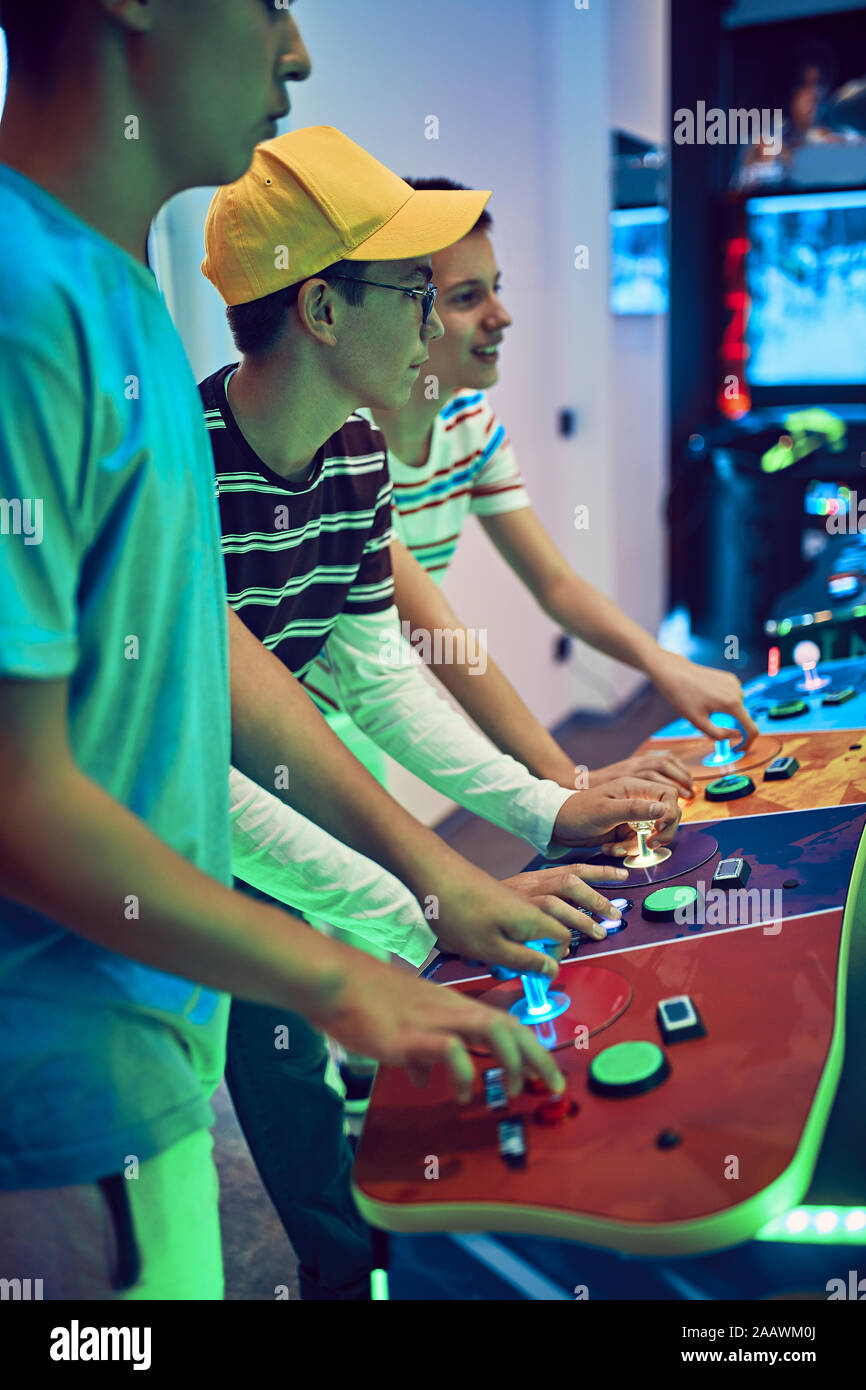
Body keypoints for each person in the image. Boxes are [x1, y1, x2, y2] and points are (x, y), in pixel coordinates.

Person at [0, 0, 576, 1302]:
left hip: (142, 1047)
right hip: (49, 1087)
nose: (297, 51)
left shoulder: (119, 299)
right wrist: (347, 957)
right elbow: (18, 794)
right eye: (268, 1)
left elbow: (230, 670)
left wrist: (440, 866)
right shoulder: (24, 309)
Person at [197, 125, 684, 1298]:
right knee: (274, 1058)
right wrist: (418, 906)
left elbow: (372, 668)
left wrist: (543, 805)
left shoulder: (356, 450)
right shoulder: (184, 461)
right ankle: (346, 1263)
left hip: (277, 780)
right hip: (160, 831)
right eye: (416, 288)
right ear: (321, 311)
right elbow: (188, 763)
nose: (439, 316)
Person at [346, 178, 759, 764]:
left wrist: (664, 664)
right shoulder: (349, 449)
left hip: (368, 715)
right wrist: (567, 785)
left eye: (496, 290)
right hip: (305, 726)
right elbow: (443, 642)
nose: (502, 316)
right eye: (467, 298)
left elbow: (556, 583)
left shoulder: (470, 422)